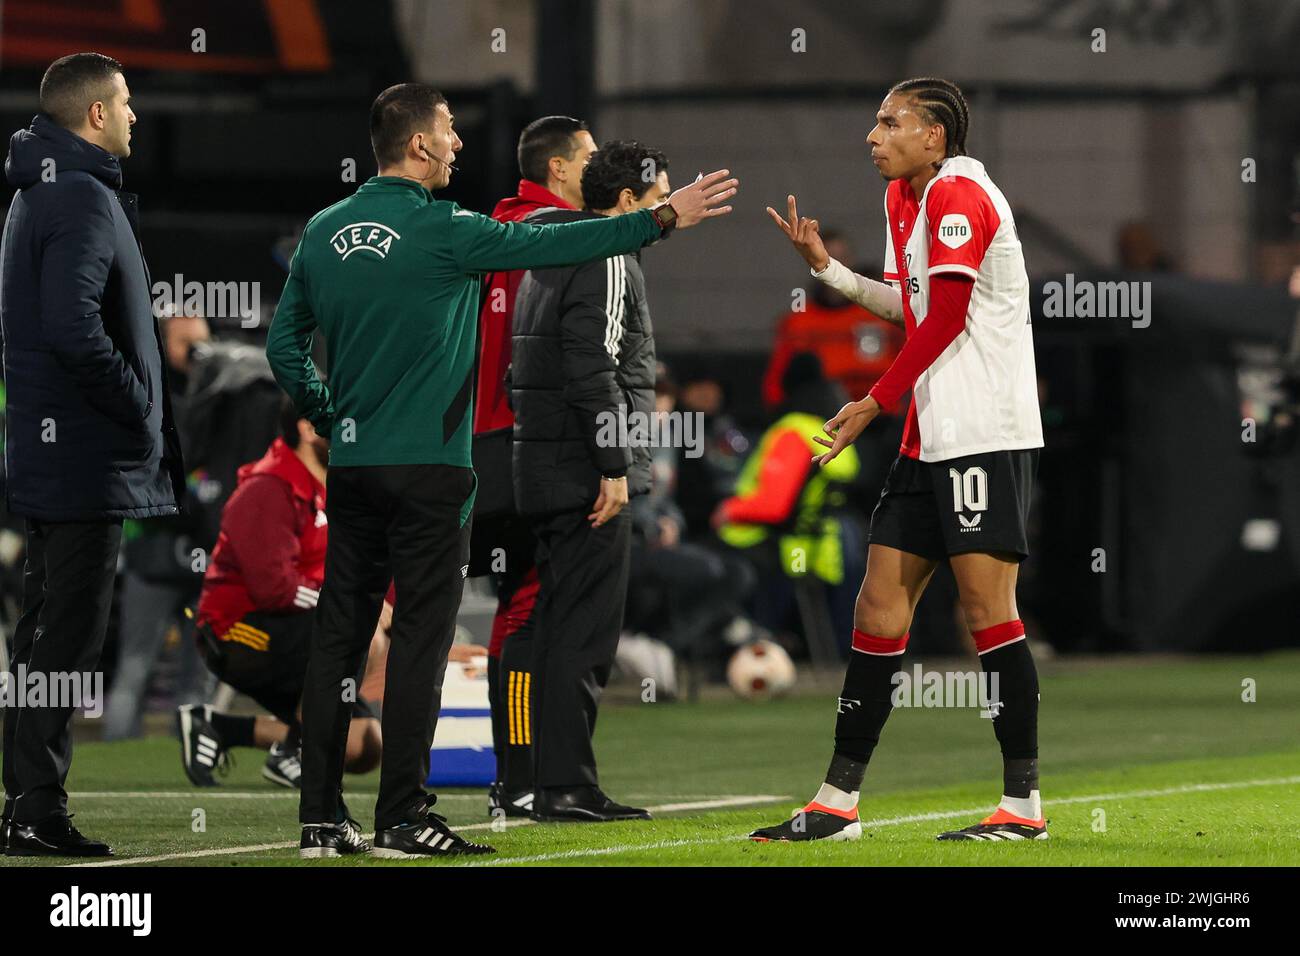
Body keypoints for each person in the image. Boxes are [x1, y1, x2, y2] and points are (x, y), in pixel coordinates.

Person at [266, 84, 736, 859]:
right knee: (420, 639)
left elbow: (285, 349)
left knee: (338, 641)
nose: (456, 143)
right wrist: (656, 218)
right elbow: (552, 247)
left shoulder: (322, 230)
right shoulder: (449, 230)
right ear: (418, 146)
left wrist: (328, 405)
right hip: (432, 471)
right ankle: (403, 817)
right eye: (448, 131)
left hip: (352, 468)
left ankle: (320, 818)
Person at [750, 76, 1047, 843]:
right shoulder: (904, 199)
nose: (872, 136)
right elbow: (911, 304)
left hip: (983, 432)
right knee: (878, 607)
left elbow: (946, 317)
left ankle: (1022, 809)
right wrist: (830, 272)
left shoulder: (959, 196)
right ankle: (837, 801)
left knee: (986, 612)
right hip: (930, 435)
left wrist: (872, 401)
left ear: (935, 137)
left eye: (889, 123)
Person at [0, 53, 185, 857]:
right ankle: (35, 809)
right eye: (128, 103)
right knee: (65, 641)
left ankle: (26, 804)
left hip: (58, 456)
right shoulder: (78, 194)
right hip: (84, 459)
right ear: (97, 115)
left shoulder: (40, 190)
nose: (137, 116)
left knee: (43, 637)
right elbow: (77, 328)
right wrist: (137, 410)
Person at [511, 141, 673, 822]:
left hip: (542, 464)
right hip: (586, 472)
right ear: (628, 202)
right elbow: (591, 366)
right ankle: (567, 786)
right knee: (583, 636)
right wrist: (613, 468)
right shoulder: (607, 254)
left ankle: (536, 779)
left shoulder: (550, 245)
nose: (669, 209)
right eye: (661, 196)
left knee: (544, 631)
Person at [470, 116, 598, 820]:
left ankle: (516, 779)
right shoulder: (560, 236)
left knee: (498, 606)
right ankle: (520, 781)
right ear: (557, 169)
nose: (596, 168)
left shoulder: (488, 231)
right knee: (528, 609)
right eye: (588, 158)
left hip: (471, 449)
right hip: (532, 451)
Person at [178, 398, 382, 791]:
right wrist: (352, 604)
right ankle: (293, 748)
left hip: (294, 624)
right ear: (307, 429)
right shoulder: (269, 487)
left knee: (363, 743)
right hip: (234, 630)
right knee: (358, 628)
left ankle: (220, 727)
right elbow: (274, 589)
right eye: (338, 423)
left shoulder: (331, 484)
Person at [761, 230, 904, 412]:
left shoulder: (881, 313)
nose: (838, 265)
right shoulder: (798, 322)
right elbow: (775, 386)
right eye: (830, 258)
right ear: (813, 262)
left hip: (881, 420)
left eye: (843, 257)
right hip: (824, 422)